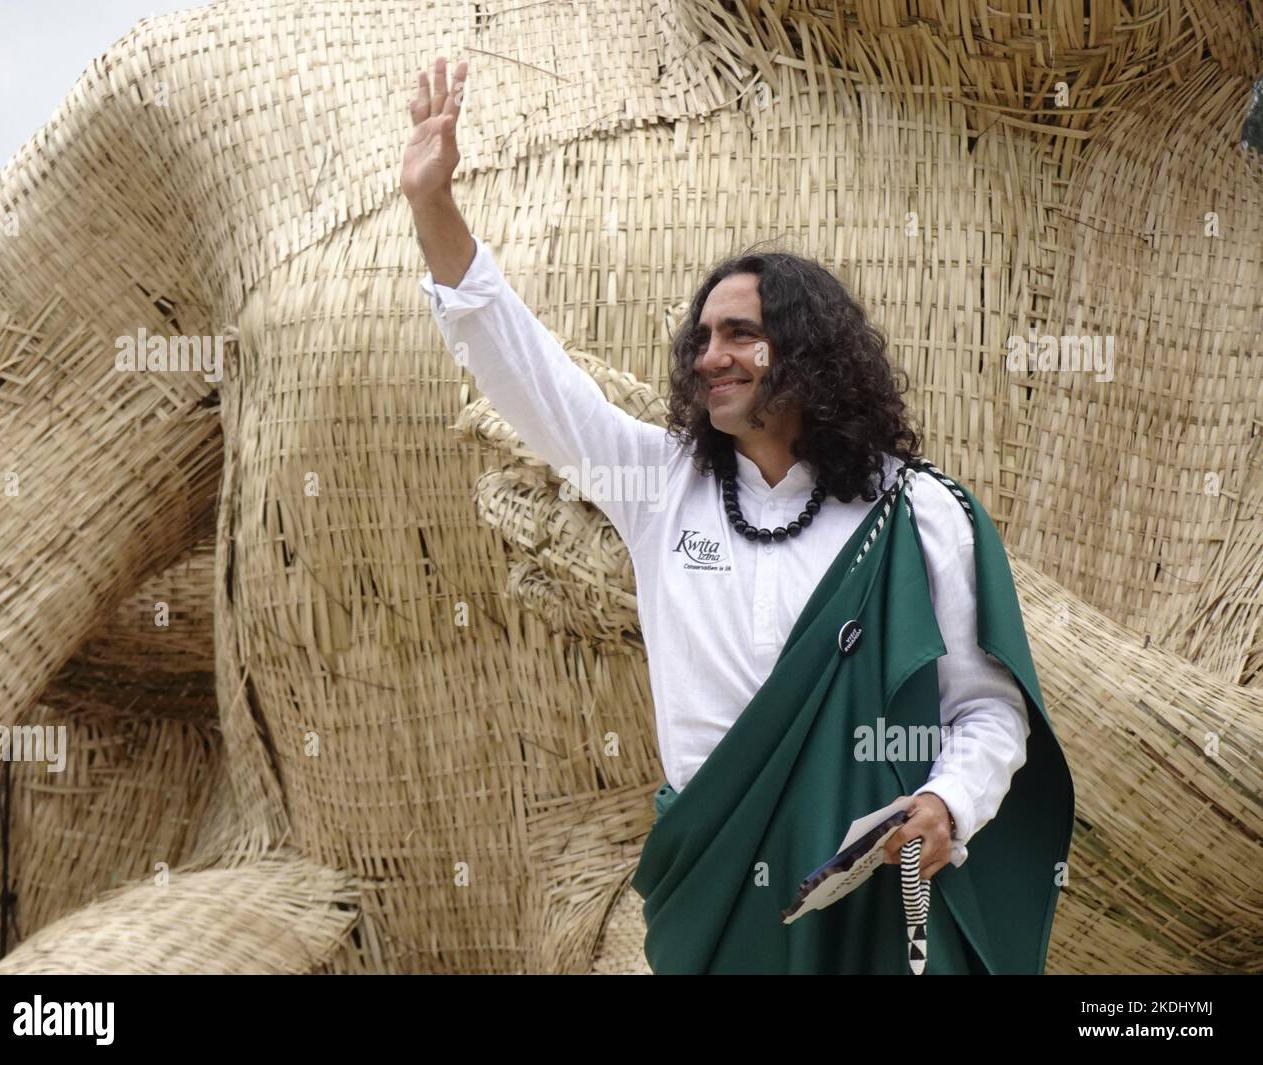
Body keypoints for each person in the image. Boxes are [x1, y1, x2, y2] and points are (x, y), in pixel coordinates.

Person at [402, 56, 1074, 974]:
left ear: (809, 352)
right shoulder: (659, 482)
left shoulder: (916, 511)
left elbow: (987, 710)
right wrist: (434, 205)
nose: (710, 356)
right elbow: (524, 370)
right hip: (712, 879)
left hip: (866, 891)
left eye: (740, 334)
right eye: (702, 338)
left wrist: (949, 802)